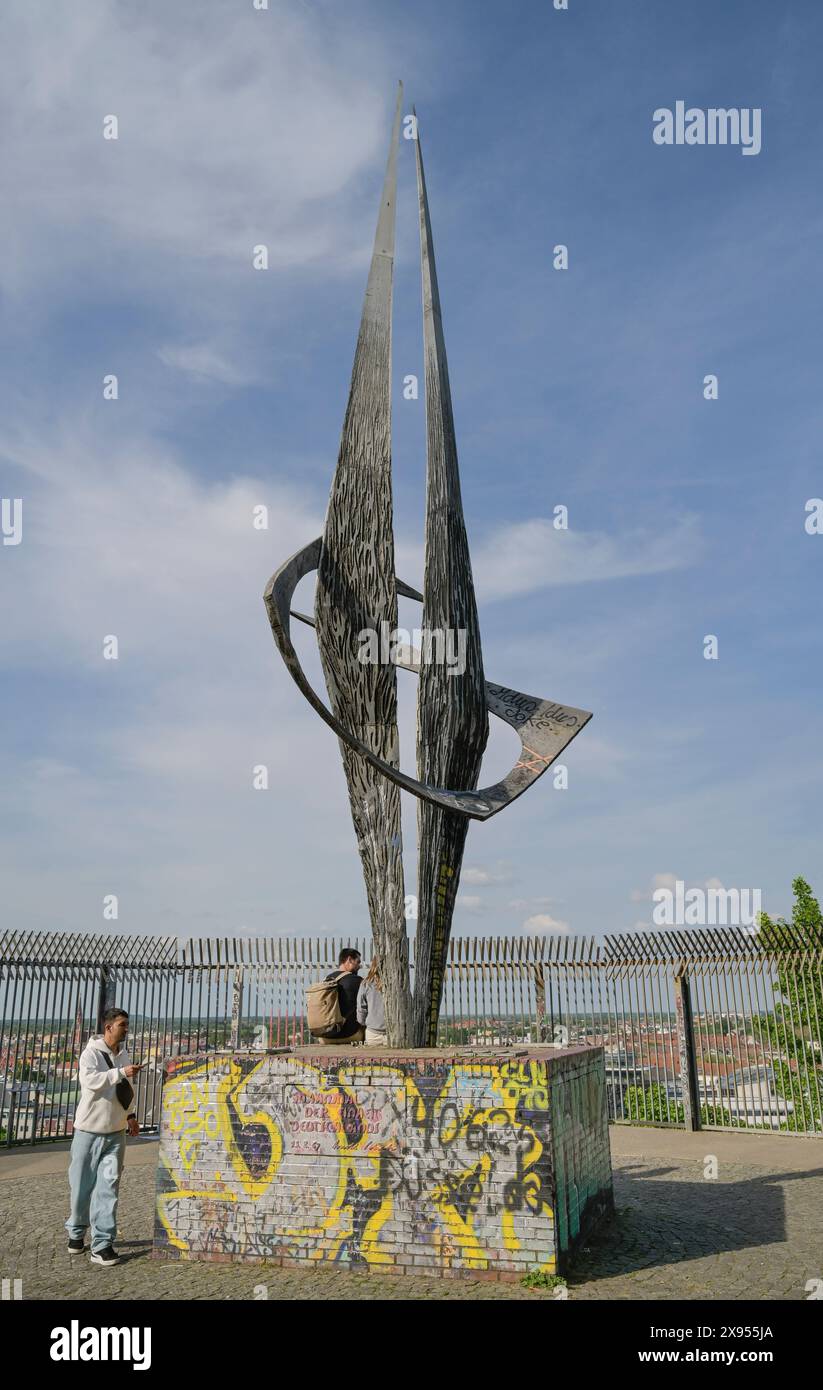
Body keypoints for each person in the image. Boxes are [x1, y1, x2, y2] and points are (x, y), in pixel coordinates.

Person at [64, 1007, 143, 1266]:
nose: (126, 1029)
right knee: (81, 1189)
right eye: (122, 1025)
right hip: (88, 1132)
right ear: (108, 1027)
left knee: (108, 1189)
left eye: (127, 1024)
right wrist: (121, 1072)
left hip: (115, 1133)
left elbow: (125, 1089)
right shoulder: (90, 1054)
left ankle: (102, 1244)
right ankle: (76, 1233)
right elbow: (91, 1081)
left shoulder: (123, 1054)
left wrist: (130, 1115)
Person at [318, 948, 365, 1043]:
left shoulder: (327, 980)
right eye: (358, 962)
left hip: (325, 1037)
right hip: (350, 1035)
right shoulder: (358, 980)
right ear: (349, 960)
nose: (359, 966)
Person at [357, 957, 388, 1045]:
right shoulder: (397, 983)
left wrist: (363, 1023)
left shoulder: (366, 983)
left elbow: (361, 1008)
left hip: (372, 1032)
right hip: (393, 1032)